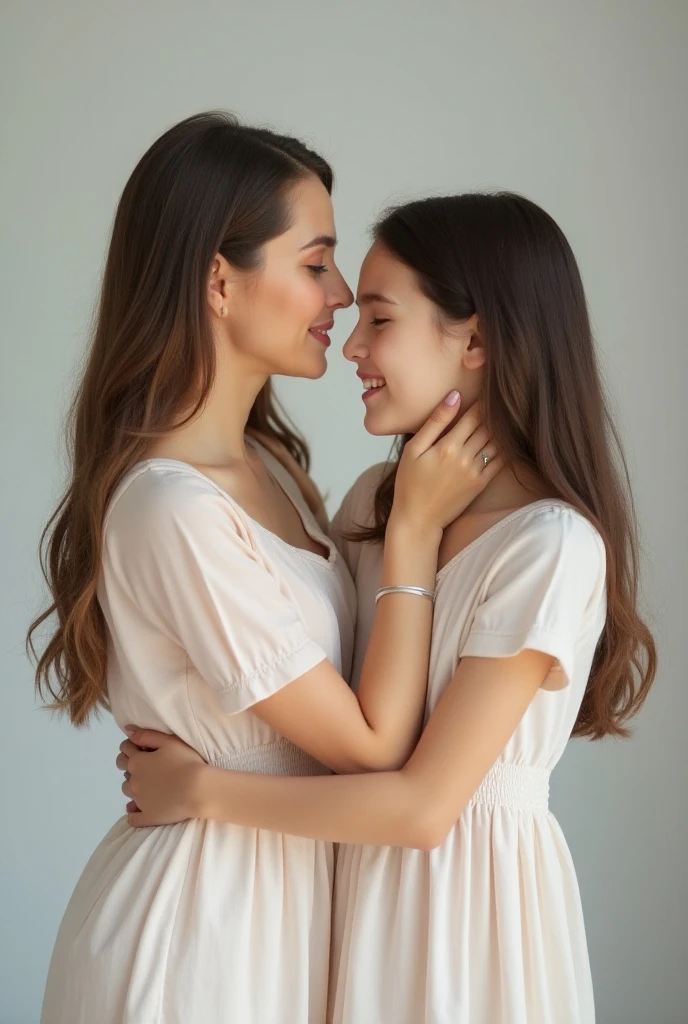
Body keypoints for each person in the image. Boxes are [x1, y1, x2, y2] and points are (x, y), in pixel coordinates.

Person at [119, 192, 657, 1024]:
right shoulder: (375, 503)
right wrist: (407, 525)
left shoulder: (548, 546)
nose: (352, 346)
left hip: (472, 931)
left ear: (474, 341)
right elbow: (344, 718)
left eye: (379, 319)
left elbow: (422, 809)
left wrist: (203, 792)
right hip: (351, 910)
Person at [29, 113, 497, 1024]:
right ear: (219, 281)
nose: (341, 295)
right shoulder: (173, 508)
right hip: (199, 923)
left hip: (283, 908)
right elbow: (371, 746)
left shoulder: (273, 469)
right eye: (316, 263)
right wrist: (411, 533)